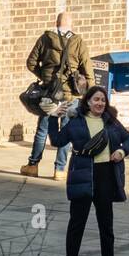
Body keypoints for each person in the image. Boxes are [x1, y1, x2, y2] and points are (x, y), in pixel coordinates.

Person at [51, 85, 129, 256]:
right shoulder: (76, 122)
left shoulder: (111, 122)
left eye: (103, 100)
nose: (100, 103)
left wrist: (122, 152)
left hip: (105, 174)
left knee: (106, 222)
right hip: (83, 174)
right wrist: (53, 117)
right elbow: (57, 140)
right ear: (87, 101)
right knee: (77, 222)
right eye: (96, 99)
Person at [21, 12, 92, 179]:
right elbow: (88, 71)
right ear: (71, 25)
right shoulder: (78, 41)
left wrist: (45, 77)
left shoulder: (45, 39)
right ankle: (59, 170)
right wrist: (90, 95)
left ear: (56, 23)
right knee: (66, 132)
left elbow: (31, 63)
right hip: (69, 96)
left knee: (42, 130)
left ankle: (33, 165)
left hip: (49, 95)